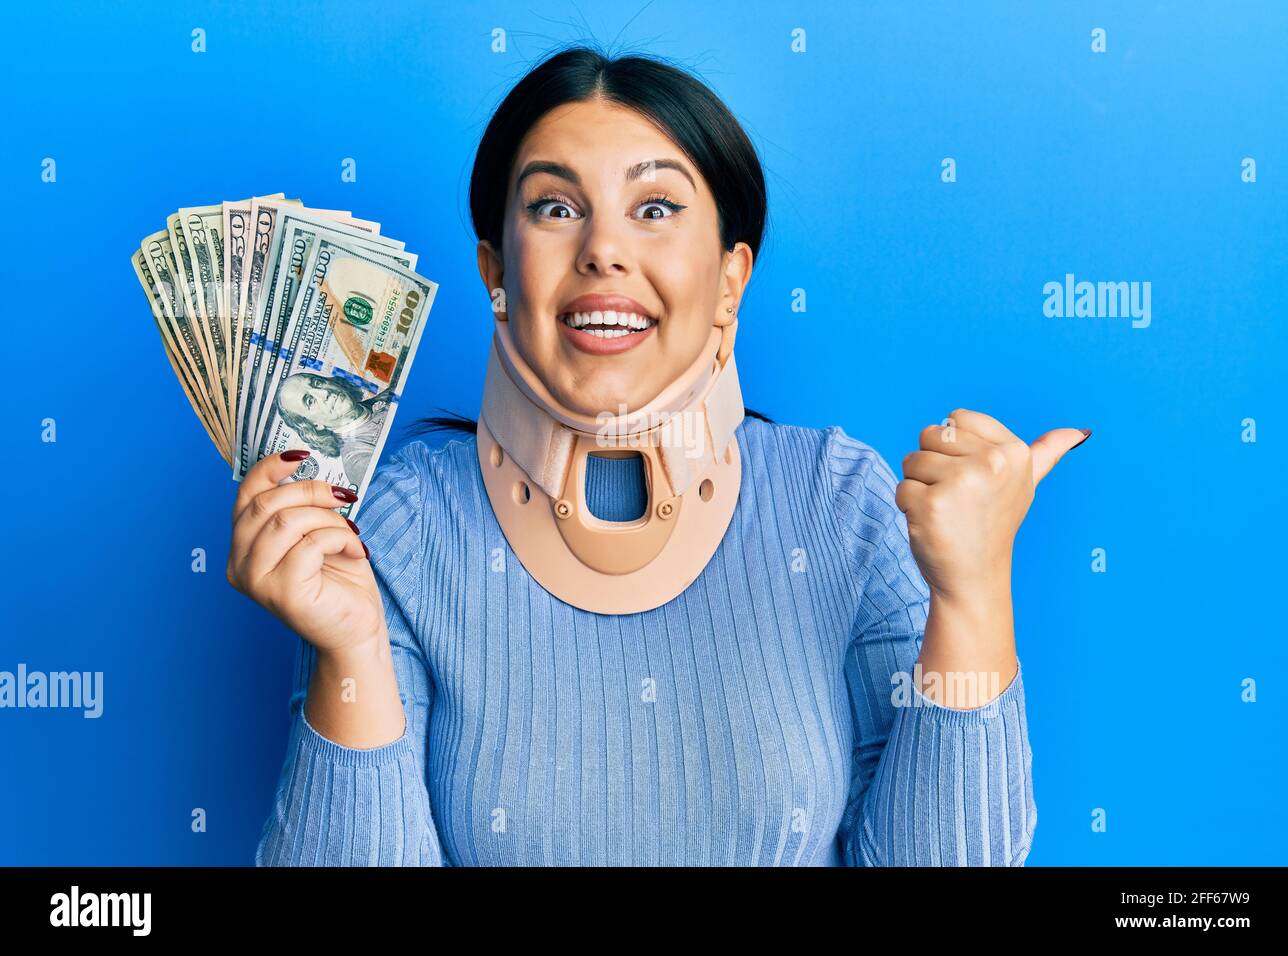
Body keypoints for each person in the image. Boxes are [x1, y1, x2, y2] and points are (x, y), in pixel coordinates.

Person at [229, 45, 1088, 866]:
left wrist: (974, 593)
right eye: (555, 208)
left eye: (656, 209)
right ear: (496, 269)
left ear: (730, 278)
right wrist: (351, 651)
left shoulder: (840, 505)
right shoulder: (399, 526)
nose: (604, 248)